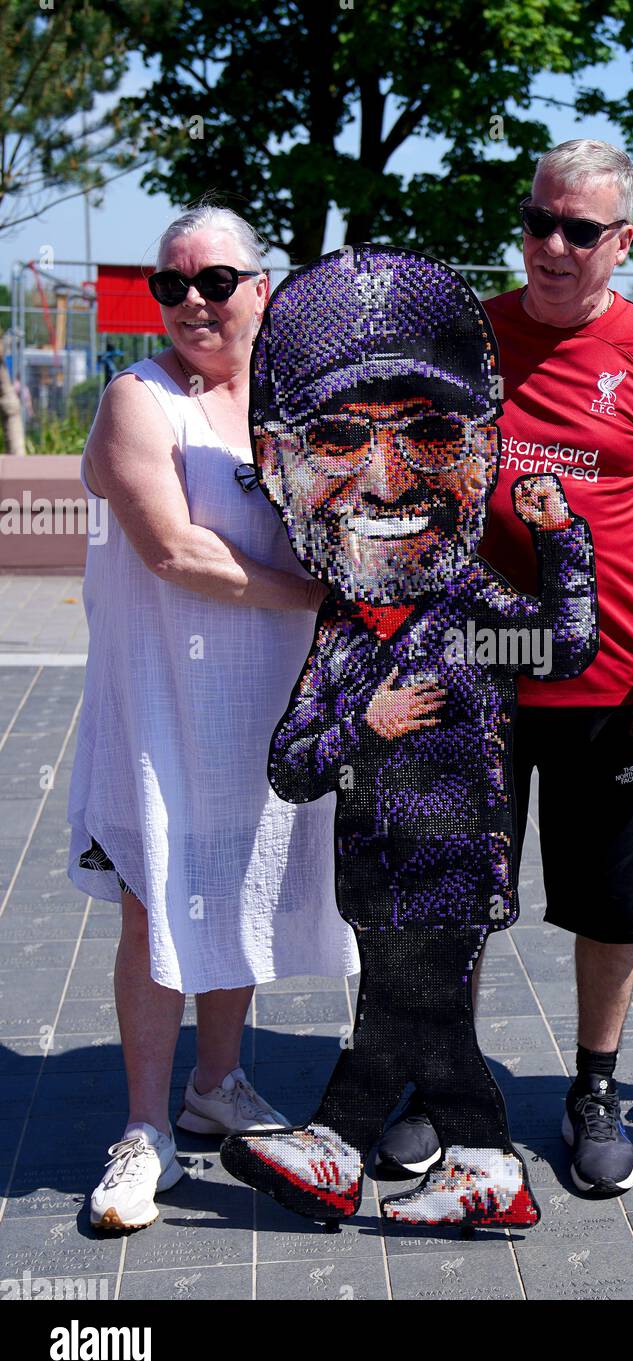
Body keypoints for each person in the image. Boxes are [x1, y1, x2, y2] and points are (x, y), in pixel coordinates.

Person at [379, 139, 633, 1197]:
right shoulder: (465, 337)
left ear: (619, 243)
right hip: (476, 677)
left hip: (608, 684)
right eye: (537, 220)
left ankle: (591, 1086)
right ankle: (441, 1082)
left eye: (578, 230)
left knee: (608, 905)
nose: (549, 244)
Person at [219, 246, 598, 1230]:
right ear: (275, 461)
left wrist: (561, 539)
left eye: (429, 432)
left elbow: (563, 642)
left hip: (452, 867)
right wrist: (362, 721)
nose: (387, 482)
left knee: (403, 1008)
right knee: (408, 1016)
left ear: (483, 446)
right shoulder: (342, 628)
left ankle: (345, 1147)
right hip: (372, 872)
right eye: (340, 435)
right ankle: (474, 1166)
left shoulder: (470, 611)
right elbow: (293, 762)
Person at [67, 205, 359, 1233]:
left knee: (236, 881)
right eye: (171, 283)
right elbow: (174, 552)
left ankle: (217, 1083)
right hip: (159, 705)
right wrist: (325, 599)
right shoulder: (137, 401)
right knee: (155, 901)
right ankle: (144, 1128)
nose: (192, 301)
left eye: (216, 280)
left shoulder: (289, 409)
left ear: (261, 290)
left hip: (263, 706)